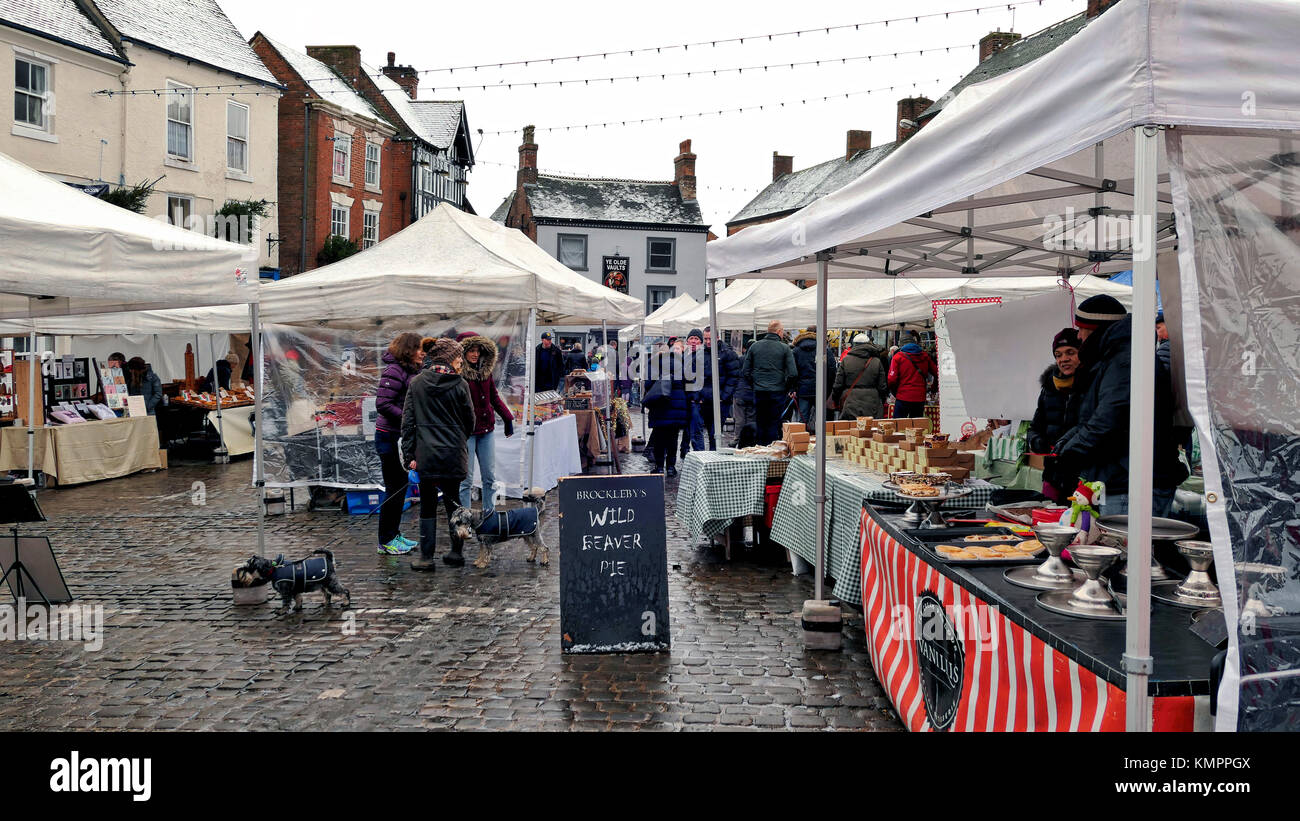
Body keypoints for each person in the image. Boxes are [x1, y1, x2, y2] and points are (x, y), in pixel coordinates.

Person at [1053, 295, 1188, 517]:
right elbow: (1095, 415)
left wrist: (1069, 453)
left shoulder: (1125, 361)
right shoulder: (1114, 358)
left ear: (1096, 329)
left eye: (1082, 329)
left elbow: (1110, 418)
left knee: (1124, 550)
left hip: (1132, 480)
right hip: (1122, 476)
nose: (1078, 336)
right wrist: (1066, 443)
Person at [402, 338, 476, 570]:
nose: (460, 361)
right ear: (448, 358)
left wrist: (408, 455)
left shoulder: (417, 384)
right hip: (453, 454)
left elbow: (408, 423)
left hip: (427, 456)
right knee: (454, 502)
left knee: (427, 504)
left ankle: (426, 558)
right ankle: (455, 554)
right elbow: (470, 421)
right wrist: (458, 438)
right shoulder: (460, 384)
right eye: (458, 357)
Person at [374, 332, 423, 555]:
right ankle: (385, 540)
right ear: (408, 350)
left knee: (400, 486)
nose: (423, 352)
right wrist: (408, 419)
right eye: (419, 348)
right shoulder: (394, 370)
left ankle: (394, 534)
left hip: (398, 435)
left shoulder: (410, 370)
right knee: (394, 488)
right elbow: (383, 403)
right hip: (389, 436)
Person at [458, 334, 515, 513]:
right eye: (471, 351)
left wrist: (507, 419)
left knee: (489, 477)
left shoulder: (485, 372)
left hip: (486, 430)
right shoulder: (458, 375)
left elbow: (494, 398)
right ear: (463, 352)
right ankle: (464, 519)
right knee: (466, 480)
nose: (475, 354)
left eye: (478, 351)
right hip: (467, 432)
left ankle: (489, 515)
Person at [1028, 328, 1083, 503]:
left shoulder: (1090, 386)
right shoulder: (1049, 390)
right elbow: (1034, 429)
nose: (1064, 359)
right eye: (1058, 355)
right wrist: (1038, 442)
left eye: (1070, 352)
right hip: (1053, 475)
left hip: (1082, 479)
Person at [743, 320, 798, 444]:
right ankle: (772, 454)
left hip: (759, 391)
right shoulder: (785, 348)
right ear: (779, 331)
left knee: (760, 423)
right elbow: (793, 373)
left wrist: (755, 385)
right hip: (777, 392)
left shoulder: (755, 346)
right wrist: (786, 388)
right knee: (774, 423)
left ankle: (760, 451)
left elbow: (745, 371)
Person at [644, 340, 688, 476]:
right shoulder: (683, 363)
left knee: (659, 437)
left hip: (660, 404)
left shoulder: (654, 362)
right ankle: (670, 467)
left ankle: (659, 466)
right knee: (673, 438)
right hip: (677, 406)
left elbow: (648, 384)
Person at [695, 326, 740, 451]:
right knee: (709, 431)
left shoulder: (728, 353)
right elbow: (694, 375)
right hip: (705, 399)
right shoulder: (700, 353)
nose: (708, 342)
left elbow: (734, 376)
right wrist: (698, 396)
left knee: (716, 433)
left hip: (721, 400)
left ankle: (715, 455)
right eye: (706, 339)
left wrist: (724, 396)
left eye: (710, 339)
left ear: (717, 338)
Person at [832, 333, 888, 420]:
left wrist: (836, 399)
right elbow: (882, 386)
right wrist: (881, 399)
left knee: (850, 430)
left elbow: (838, 384)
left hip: (850, 401)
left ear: (854, 344)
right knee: (871, 430)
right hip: (872, 402)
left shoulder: (846, 360)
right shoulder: (876, 361)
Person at [792, 326, 836, 427]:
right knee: (822, 421)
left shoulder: (796, 350)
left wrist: (794, 388)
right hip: (820, 390)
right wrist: (828, 389)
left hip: (803, 389)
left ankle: (801, 440)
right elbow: (831, 371)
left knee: (802, 421)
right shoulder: (825, 349)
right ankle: (820, 441)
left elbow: (793, 372)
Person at [887, 338, 935, 419]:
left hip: (903, 396)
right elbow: (936, 372)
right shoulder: (925, 356)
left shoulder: (898, 357)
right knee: (917, 427)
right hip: (919, 397)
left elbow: (891, 379)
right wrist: (934, 388)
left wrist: (895, 392)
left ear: (901, 345)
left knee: (898, 426)